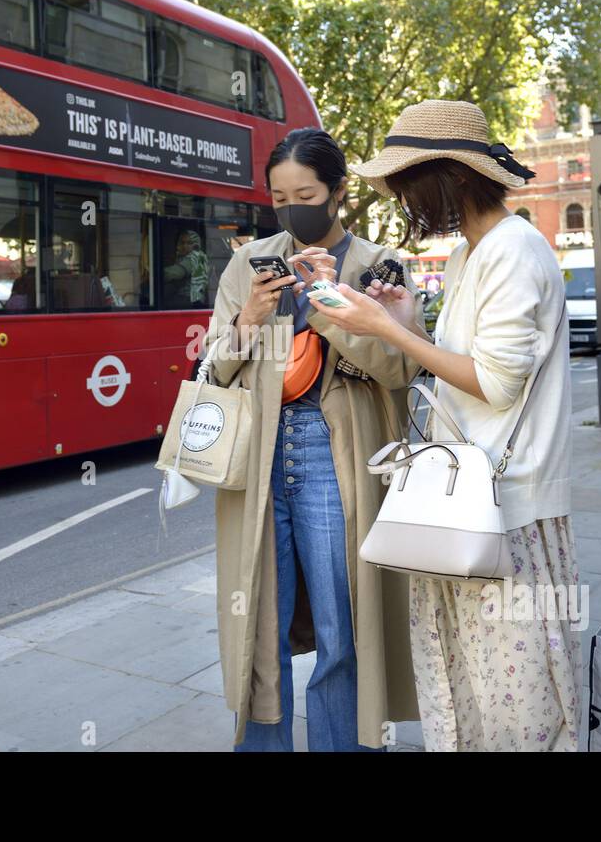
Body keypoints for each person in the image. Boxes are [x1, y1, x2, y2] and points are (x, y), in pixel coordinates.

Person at [305, 100, 580, 751]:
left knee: (516, 713)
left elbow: (497, 382)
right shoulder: (471, 254)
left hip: (506, 518)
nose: (405, 202)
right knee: (470, 703)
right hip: (463, 510)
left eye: (408, 186)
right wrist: (406, 323)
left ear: (452, 177)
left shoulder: (513, 250)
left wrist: (381, 329)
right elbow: (465, 370)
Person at [202, 127, 423, 751]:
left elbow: (402, 369)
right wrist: (249, 318)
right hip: (258, 453)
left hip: (337, 455)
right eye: (278, 197)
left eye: (305, 193)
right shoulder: (250, 262)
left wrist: (329, 305)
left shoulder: (378, 265)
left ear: (338, 192)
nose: (291, 207)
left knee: (342, 622)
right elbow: (214, 367)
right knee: (257, 623)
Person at [163, 229, 210, 308]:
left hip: (189, 300)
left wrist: (154, 274)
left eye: (189, 243)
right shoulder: (189, 257)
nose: (185, 246)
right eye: (182, 242)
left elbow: (175, 273)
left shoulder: (195, 256)